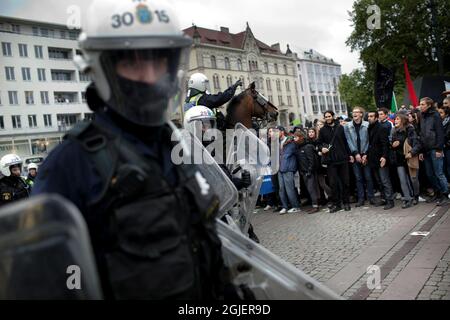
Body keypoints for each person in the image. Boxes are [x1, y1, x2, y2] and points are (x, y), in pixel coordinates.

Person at [32, 0, 232, 300]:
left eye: (158, 60)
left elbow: (206, 249)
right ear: (104, 70)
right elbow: (45, 284)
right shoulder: (71, 165)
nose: (150, 75)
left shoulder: (172, 145)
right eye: (133, 62)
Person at [183, 105, 260, 243]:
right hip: (210, 218)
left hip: (223, 211)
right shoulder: (189, 155)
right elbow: (210, 188)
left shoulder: (210, 150)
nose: (208, 129)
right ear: (192, 127)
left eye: (210, 124)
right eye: (203, 126)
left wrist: (240, 181)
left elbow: (223, 180)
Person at [317, 111, 352, 213]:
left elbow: (346, 142)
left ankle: (346, 203)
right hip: (331, 160)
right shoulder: (323, 130)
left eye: (329, 116)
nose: (328, 118)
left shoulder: (340, 127)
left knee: (345, 182)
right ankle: (337, 204)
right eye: (326, 117)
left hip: (342, 158)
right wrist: (322, 148)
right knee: (333, 183)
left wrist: (349, 155)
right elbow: (319, 143)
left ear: (333, 117)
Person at [418, 97, 449, 206]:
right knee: (429, 174)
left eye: (422, 104)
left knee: (439, 173)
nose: (420, 106)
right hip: (425, 150)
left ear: (429, 105)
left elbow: (440, 133)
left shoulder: (435, 115)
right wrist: (421, 150)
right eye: (420, 104)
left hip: (435, 149)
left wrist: (439, 149)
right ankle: (438, 193)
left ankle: (445, 195)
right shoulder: (421, 116)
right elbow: (421, 135)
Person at [344, 107, 376, 207]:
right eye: (353, 112)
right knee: (358, 178)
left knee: (368, 177)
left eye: (357, 112)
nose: (354, 114)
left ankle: (371, 197)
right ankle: (361, 198)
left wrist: (365, 154)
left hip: (365, 154)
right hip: (355, 155)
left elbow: (369, 141)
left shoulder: (367, 125)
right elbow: (348, 141)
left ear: (361, 114)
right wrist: (355, 153)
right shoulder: (347, 126)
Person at [391, 114, 421, 208]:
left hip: (409, 156)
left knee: (413, 179)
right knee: (402, 180)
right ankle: (407, 199)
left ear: (403, 120)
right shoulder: (393, 131)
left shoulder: (410, 129)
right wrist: (393, 144)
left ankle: (416, 195)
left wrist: (412, 153)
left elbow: (416, 143)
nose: (395, 120)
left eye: (398, 119)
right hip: (399, 158)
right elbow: (392, 143)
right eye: (395, 119)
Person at [367, 111, 395, 210]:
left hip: (381, 158)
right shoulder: (369, 128)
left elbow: (385, 144)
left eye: (371, 116)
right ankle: (384, 198)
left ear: (376, 118)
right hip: (373, 159)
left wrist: (384, 157)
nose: (369, 118)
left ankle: (390, 200)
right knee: (379, 181)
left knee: (385, 180)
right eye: (368, 116)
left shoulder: (381, 128)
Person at [294, 132, 320, 214]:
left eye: (296, 137)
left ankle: (316, 206)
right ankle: (313, 205)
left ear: (301, 137)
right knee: (309, 189)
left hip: (309, 172)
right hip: (303, 172)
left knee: (312, 189)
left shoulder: (307, 147)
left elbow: (311, 160)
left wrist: (309, 171)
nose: (294, 139)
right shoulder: (298, 147)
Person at [278, 130, 301, 215]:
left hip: (288, 168)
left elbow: (295, 155)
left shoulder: (291, 142)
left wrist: (293, 167)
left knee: (290, 189)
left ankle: (296, 206)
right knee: (281, 189)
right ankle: (285, 207)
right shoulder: (277, 143)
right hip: (280, 169)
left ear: (282, 132)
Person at [438, 102, 450, 181]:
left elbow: (446, 135)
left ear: (446, 114)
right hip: (443, 147)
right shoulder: (439, 122)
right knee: (444, 166)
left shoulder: (448, 123)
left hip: (448, 147)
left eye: (441, 113)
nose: (439, 115)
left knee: (449, 166)